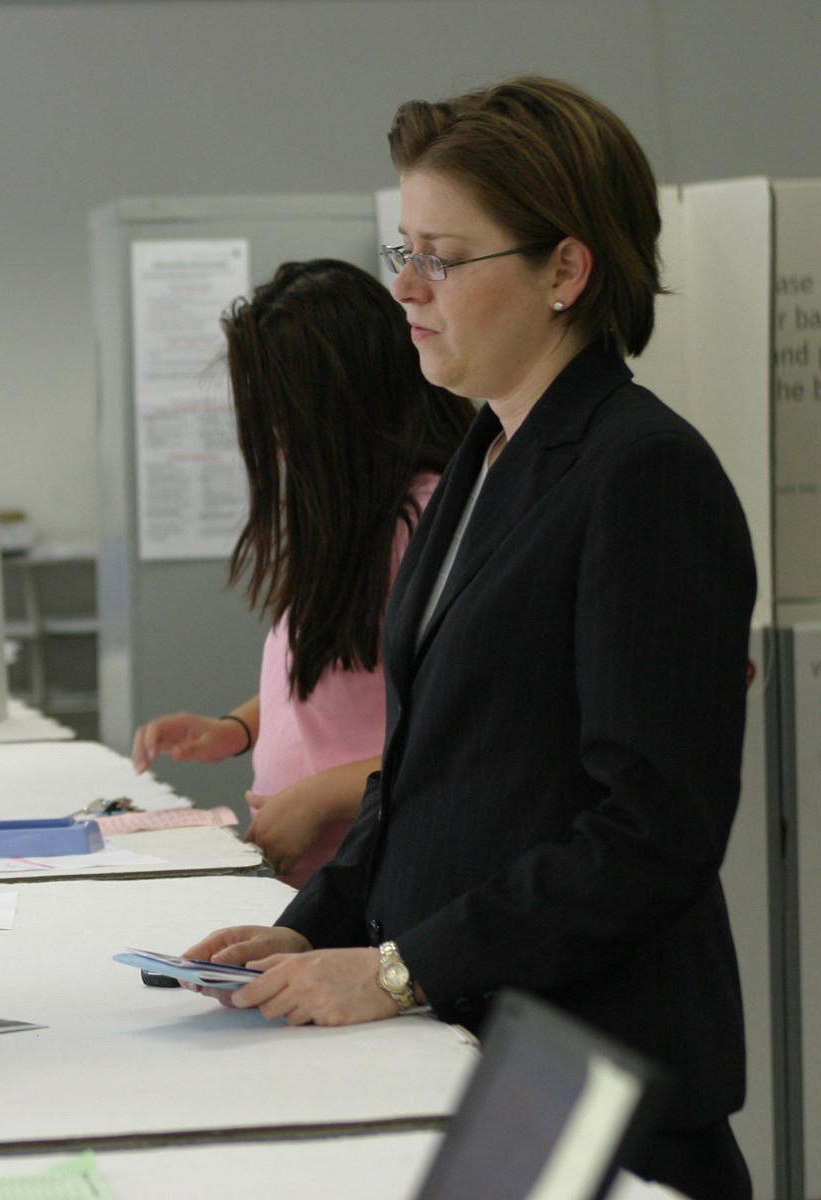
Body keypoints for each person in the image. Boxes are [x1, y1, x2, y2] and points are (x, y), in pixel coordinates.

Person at [184, 77, 756, 1200]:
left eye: (441, 259)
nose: (404, 288)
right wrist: (314, 929)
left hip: (584, 1060)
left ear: (564, 271)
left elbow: (651, 831)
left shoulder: (640, 473)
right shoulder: (484, 463)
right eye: (403, 250)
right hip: (481, 1030)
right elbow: (431, 775)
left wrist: (397, 972)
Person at [131, 260, 472, 885]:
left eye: (282, 410)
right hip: (320, 877)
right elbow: (341, 676)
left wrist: (316, 800)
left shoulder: (426, 523)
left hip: (373, 876)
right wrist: (236, 728)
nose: (275, 436)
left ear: (341, 404)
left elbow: (458, 743)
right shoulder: (353, 514)